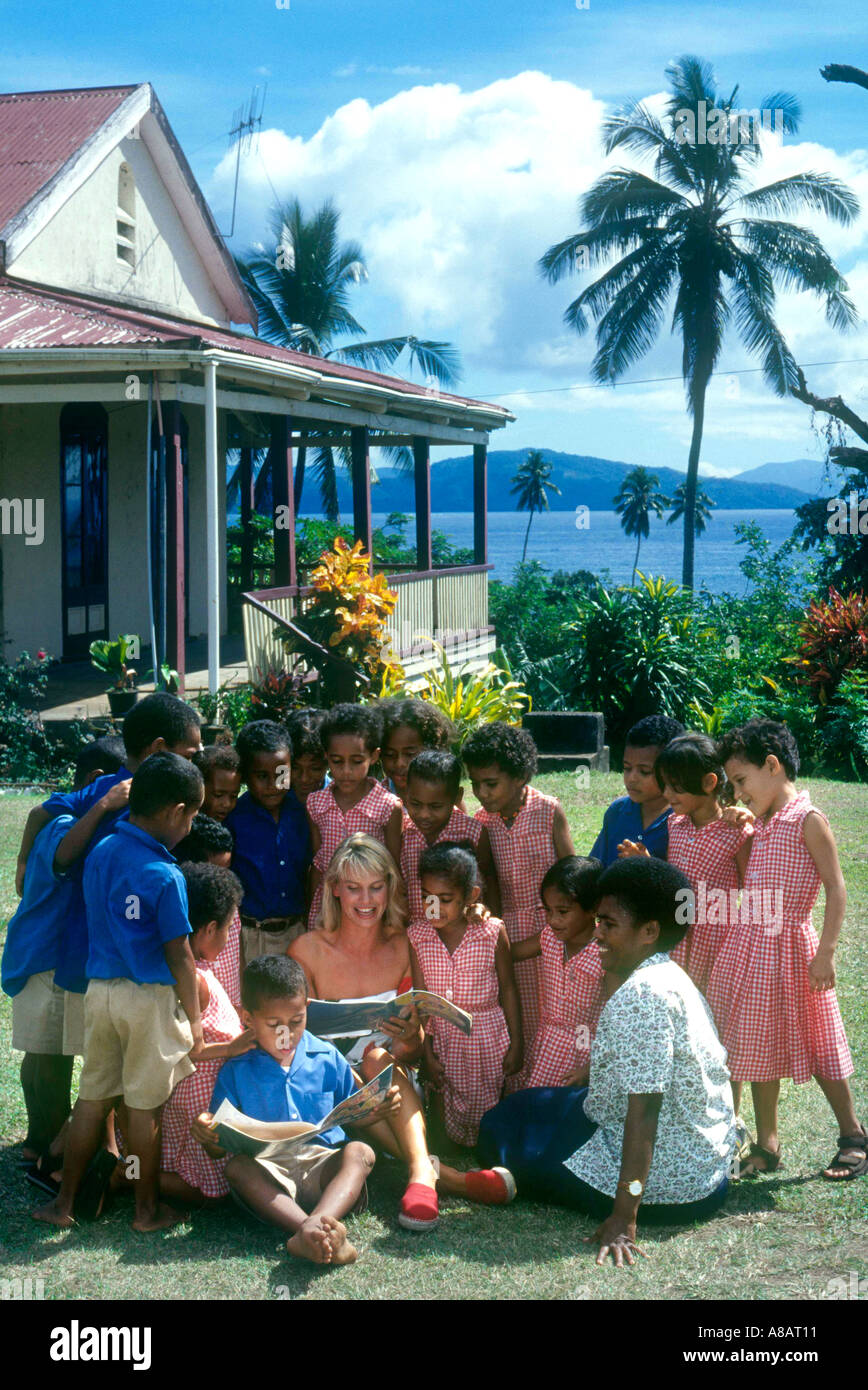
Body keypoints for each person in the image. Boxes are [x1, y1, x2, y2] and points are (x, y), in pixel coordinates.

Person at [478, 857, 736, 1266]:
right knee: (516, 1111)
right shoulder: (667, 972)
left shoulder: (643, 996)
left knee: (501, 1139)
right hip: (701, 1167)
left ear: (650, 931)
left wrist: (623, 1216)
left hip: (674, 1184)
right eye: (597, 921)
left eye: (609, 925)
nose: (596, 933)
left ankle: (469, 1181)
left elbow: (645, 1113)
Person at [290, 834, 514, 1229]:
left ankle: (424, 1174)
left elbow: (412, 1048)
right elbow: (296, 1044)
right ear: (335, 889)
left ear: (390, 888)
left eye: (377, 887)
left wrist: (410, 1036)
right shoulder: (306, 950)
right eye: (354, 888)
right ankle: (443, 1178)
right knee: (359, 1073)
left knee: (378, 1058)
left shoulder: (405, 942)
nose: (366, 900)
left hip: (395, 1077)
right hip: (331, 1089)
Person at [33, 752, 205, 1232]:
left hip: (100, 993)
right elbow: (181, 957)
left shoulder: (103, 850)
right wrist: (193, 1019)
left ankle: (62, 1204)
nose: (191, 827)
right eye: (192, 815)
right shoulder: (167, 876)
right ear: (175, 811)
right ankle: (146, 1211)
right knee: (141, 1108)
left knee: (91, 1100)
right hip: (146, 1000)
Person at [707, 719, 866, 1181]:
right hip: (750, 946)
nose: (737, 793)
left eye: (740, 781)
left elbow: (837, 890)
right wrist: (740, 825)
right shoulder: (762, 822)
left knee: (819, 1044)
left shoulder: (808, 819)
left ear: (772, 766)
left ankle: (853, 1134)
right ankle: (767, 1143)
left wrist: (827, 954)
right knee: (758, 1043)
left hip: (793, 948)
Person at [192, 956, 393, 1265]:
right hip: (270, 1176)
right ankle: (313, 1230)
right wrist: (208, 1134)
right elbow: (220, 1150)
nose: (286, 1034)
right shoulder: (236, 1069)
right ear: (247, 1017)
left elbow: (355, 1114)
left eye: (297, 1021)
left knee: (361, 1152)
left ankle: (311, 1228)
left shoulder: (326, 1056)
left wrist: (378, 1108)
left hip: (322, 1169)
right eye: (274, 1025)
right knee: (237, 1169)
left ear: (307, 1009)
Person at [2, 738, 126, 1171]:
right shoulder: (69, 827)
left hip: (37, 953)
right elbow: (63, 853)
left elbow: (37, 811)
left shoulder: (53, 818)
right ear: (99, 782)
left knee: (40, 1056)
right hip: (48, 958)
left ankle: (39, 1140)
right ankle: (49, 1145)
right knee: (51, 1059)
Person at [463, 722, 574, 1085]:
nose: (481, 793)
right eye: (475, 783)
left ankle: (554, 1088)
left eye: (490, 784)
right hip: (509, 931)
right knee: (519, 1015)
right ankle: (520, 1094)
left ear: (519, 776)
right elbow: (489, 881)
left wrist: (566, 925)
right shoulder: (483, 822)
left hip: (553, 929)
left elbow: (570, 874)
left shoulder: (547, 810)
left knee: (553, 1013)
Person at [16, 693, 201, 894]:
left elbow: (38, 813)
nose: (191, 766)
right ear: (158, 749)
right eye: (188, 757)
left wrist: (23, 863)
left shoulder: (103, 786)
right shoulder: (153, 805)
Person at [621, 733, 754, 994]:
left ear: (708, 782)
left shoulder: (737, 831)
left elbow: (752, 886)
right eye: (664, 785)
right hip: (677, 930)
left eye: (675, 787)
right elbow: (675, 879)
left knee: (713, 1002)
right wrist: (648, 864)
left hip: (716, 937)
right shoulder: (675, 824)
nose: (666, 794)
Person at [408, 844, 521, 1148]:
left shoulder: (491, 932)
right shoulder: (417, 936)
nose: (433, 907)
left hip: (486, 1033)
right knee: (445, 1089)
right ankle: (448, 1145)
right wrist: (427, 1054)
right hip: (442, 1033)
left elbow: (509, 988)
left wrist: (517, 1041)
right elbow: (421, 1001)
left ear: (470, 896)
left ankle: (489, 1143)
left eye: (445, 899)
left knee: (490, 1091)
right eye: (426, 897)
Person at [160, 863, 254, 1207]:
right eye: (229, 928)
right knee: (211, 1194)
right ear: (210, 928)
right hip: (196, 1098)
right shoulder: (193, 981)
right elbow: (183, 1049)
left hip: (209, 1092)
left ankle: (128, 1175)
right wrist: (234, 1045)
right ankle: (125, 1177)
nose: (230, 937)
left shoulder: (198, 971)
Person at [512, 856, 607, 1089]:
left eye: (563, 911)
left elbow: (618, 1019)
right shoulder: (549, 938)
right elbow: (509, 953)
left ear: (593, 908)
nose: (553, 920)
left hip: (585, 1052)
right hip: (549, 1044)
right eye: (548, 910)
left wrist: (590, 1068)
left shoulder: (605, 954)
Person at [306, 704, 403, 928]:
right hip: (327, 909)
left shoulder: (388, 807)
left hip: (368, 907)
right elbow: (317, 864)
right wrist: (312, 910)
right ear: (326, 757)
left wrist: (393, 917)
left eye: (357, 761)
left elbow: (393, 868)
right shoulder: (316, 804)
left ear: (374, 755)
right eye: (337, 761)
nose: (346, 771)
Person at [226, 720, 310, 963]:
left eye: (281, 774)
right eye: (261, 776)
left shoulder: (302, 812)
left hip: (297, 931)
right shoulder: (235, 819)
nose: (273, 785)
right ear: (245, 776)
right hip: (253, 935)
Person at [401, 750, 501, 918]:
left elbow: (490, 881)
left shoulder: (473, 832)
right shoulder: (404, 832)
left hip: (462, 933)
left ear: (457, 796)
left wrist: (493, 919)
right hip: (418, 932)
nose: (424, 814)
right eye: (415, 804)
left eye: (435, 806)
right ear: (406, 793)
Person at [590, 715, 685, 868]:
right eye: (627, 768)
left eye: (645, 771)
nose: (632, 778)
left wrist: (647, 865)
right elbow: (596, 866)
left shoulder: (683, 821)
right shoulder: (617, 812)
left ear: (671, 770)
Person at [174, 815, 242, 1009]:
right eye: (214, 870)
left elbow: (237, 947)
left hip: (229, 998)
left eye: (226, 870)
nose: (222, 879)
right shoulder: (182, 912)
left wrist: (238, 1001)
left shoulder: (228, 901)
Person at [379, 697, 456, 801]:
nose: (399, 763)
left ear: (430, 749)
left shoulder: (443, 792)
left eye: (410, 754)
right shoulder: (377, 799)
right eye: (389, 754)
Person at [286, 709, 329, 805]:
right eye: (295, 768)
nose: (304, 779)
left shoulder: (340, 801)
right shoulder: (271, 797)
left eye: (315, 769)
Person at [193, 743, 242, 822]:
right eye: (218, 795)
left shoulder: (234, 824)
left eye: (233, 796)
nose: (227, 804)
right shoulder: (182, 828)